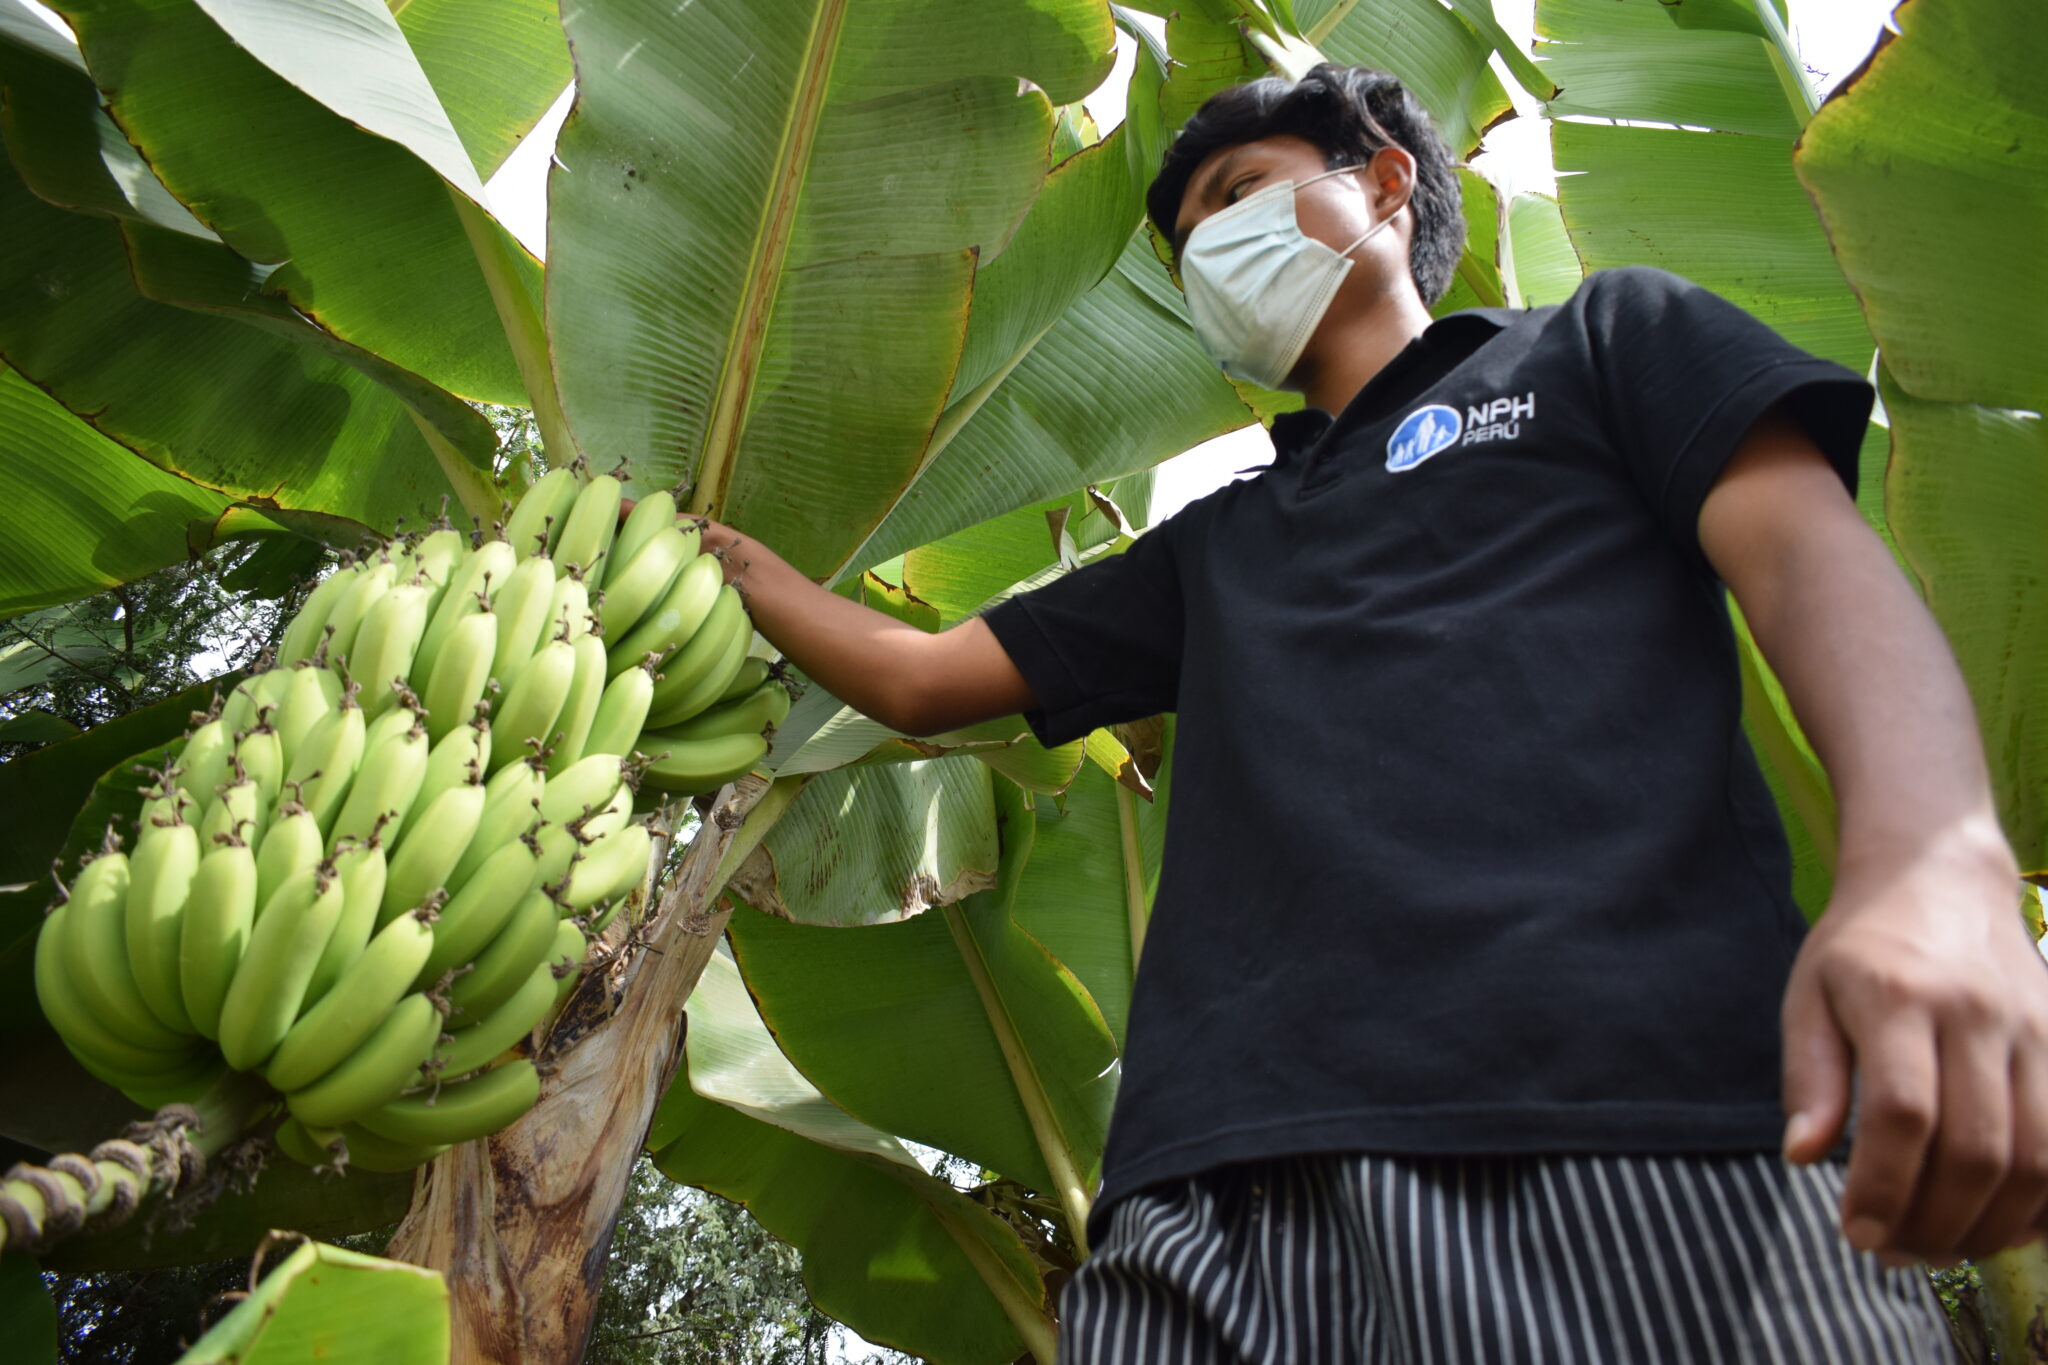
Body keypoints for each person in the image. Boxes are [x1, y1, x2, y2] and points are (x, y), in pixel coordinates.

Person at [688, 64, 2047, 1362]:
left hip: (1634, 1118)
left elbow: (1808, 559)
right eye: (1185, 239)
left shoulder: (1600, 344)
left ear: (1386, 181)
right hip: (1210, 1202)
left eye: (1237, 188)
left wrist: (1932, 865)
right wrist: (712, 552)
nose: (1209, 240)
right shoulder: (1215, 545)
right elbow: (918, 677)